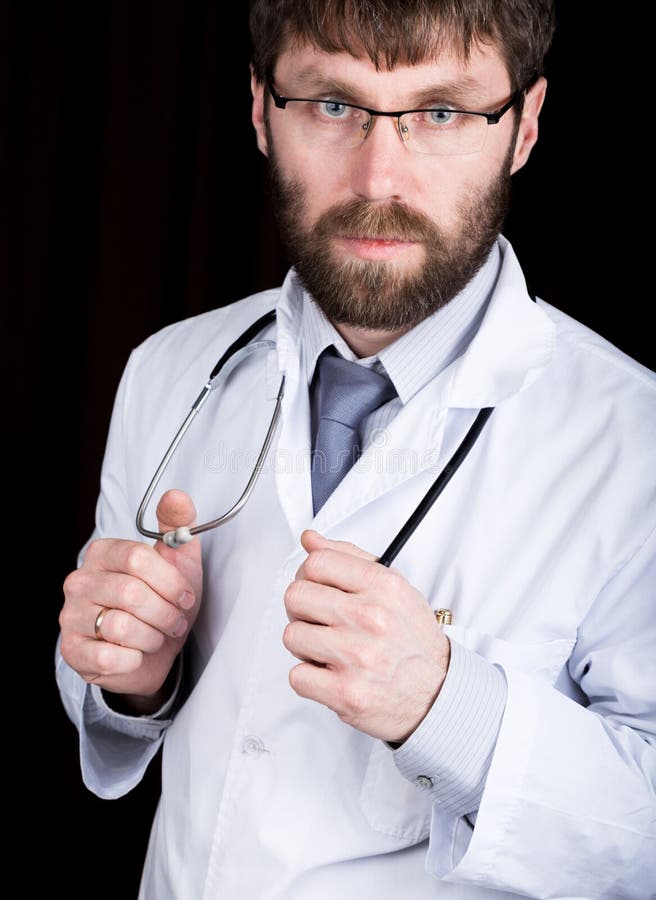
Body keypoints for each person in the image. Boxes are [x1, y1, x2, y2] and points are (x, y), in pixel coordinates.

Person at [56, 1, 655, 897]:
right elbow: (112, 717)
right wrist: (132, 682)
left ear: (523, 127)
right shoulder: (169, 370)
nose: (381, 179)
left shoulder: (635, 439)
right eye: (334, 105)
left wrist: (447, 710)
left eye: (442, 113)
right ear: (262, 110)